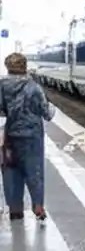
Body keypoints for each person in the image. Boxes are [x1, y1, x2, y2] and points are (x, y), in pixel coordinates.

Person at [0, 53, 55, 224]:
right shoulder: (34, 87)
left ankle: (15, 210)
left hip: (10, 136)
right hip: (32, 137)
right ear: (25, 66)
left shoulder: (1, 85)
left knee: (10, 171)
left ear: (7, 67)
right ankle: (38, 207)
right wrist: (51, 107)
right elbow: (47, 114)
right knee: (34, 171)